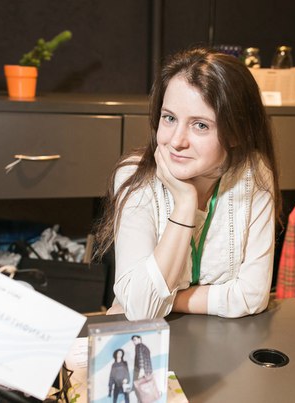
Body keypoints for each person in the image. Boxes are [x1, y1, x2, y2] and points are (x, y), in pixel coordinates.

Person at [94, 46, 282, 319]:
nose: (176, 141)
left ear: (236, 134)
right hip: (150, 339)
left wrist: (165, 301)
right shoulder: (134, 176)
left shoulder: (254, 172)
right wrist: (184, 204)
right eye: (169, 118)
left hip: (223, 338)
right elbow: (140, 310)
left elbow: (251, 296)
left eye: (200, 125)